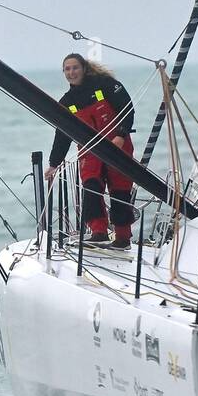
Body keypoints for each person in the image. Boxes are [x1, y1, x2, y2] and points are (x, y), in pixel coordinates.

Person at [46, 53, 136, 250]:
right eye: (67, 69)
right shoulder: (66, 102)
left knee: (120, 190)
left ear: (84, 68)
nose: (71, 72)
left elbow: (127, 108)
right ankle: (98, 233)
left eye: (75, 68)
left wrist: (121, 135)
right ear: (64, 73)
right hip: (89, 152)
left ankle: (123, 238)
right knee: (91, 188)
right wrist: (54, 164)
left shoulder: (105, 84)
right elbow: (62, 136)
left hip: (117, 145)